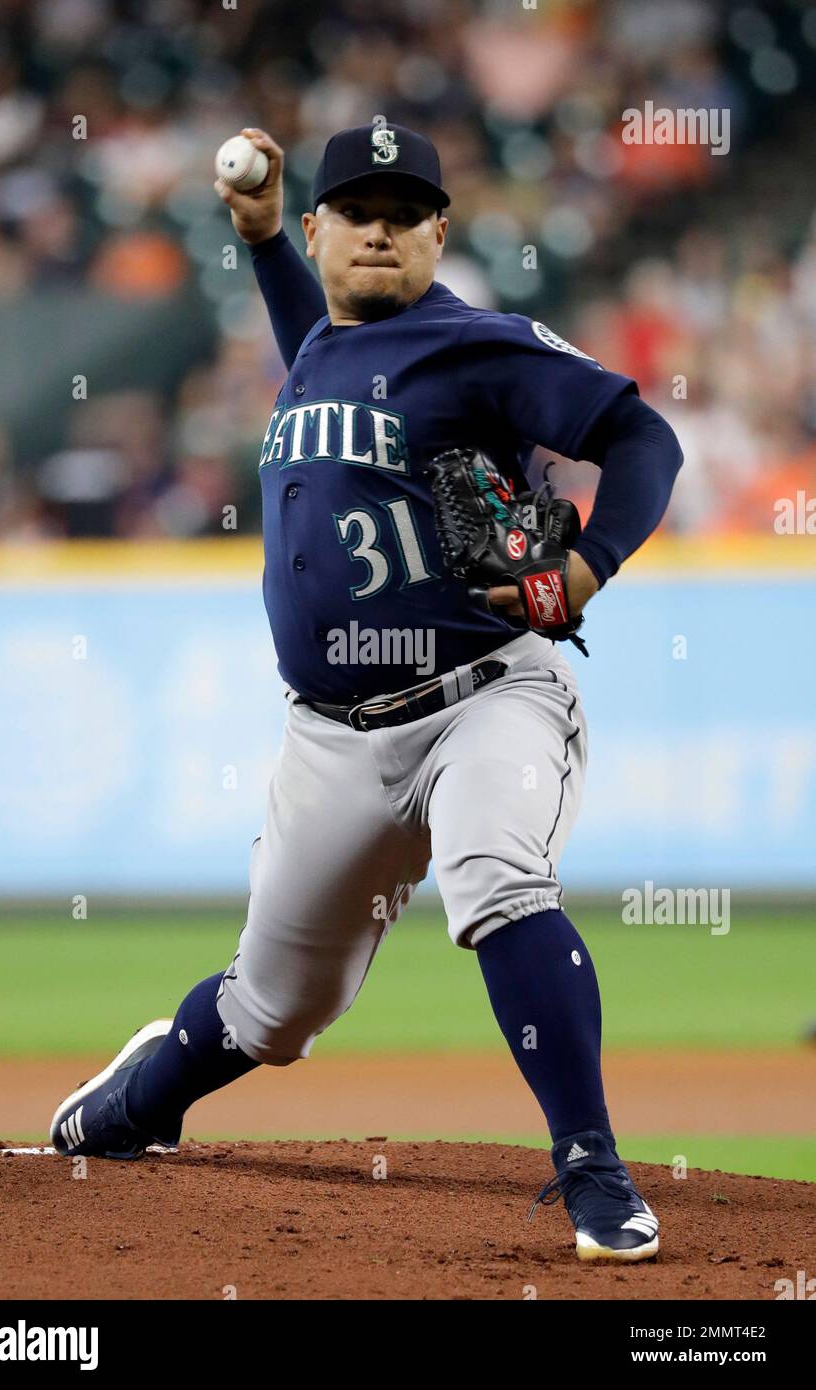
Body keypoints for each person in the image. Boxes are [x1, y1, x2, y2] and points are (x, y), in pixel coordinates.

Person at [51, 124, 683, 1263]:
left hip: (483, 695)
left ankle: (591, 1165)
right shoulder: (318, 355)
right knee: (271, 1013)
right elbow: (323, 350)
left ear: (440, 230)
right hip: (328, 740)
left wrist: (583, 565)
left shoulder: (478, 344)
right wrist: (255, 244)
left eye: (405, 209)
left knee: (494, 873)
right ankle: (141, 1098)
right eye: (355, 209)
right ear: (318, 230)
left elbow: (639, 434)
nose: (379, 226)